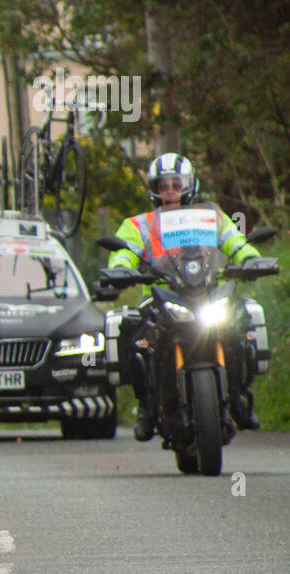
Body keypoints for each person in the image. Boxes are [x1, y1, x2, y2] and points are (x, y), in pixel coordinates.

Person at [106, 153, 261, 441]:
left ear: (189, 186)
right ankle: (147, 406)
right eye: (163, 186)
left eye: (176, 185)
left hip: (207, 292)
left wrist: (249, 258)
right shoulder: (140, 224)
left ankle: (240, 396)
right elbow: (124, 250)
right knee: (138, 344)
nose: (169, 192)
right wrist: (120, 268)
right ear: (154, 189)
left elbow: (234, 240)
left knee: (243, 330)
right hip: (161, 298)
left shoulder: (211, 217)